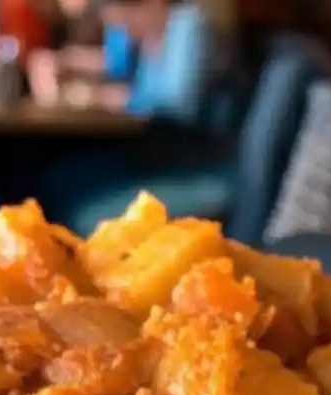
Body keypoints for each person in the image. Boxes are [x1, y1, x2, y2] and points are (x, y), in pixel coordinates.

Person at [36, 0, 242, 236]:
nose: (121, 30)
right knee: (56, 180)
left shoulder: (189, 24)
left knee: (78, 208)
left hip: (200, 167)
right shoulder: (151, 34)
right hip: (158, 156)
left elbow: (178, 103)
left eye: (123, 20)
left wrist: (105, 97)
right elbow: (132, 80)